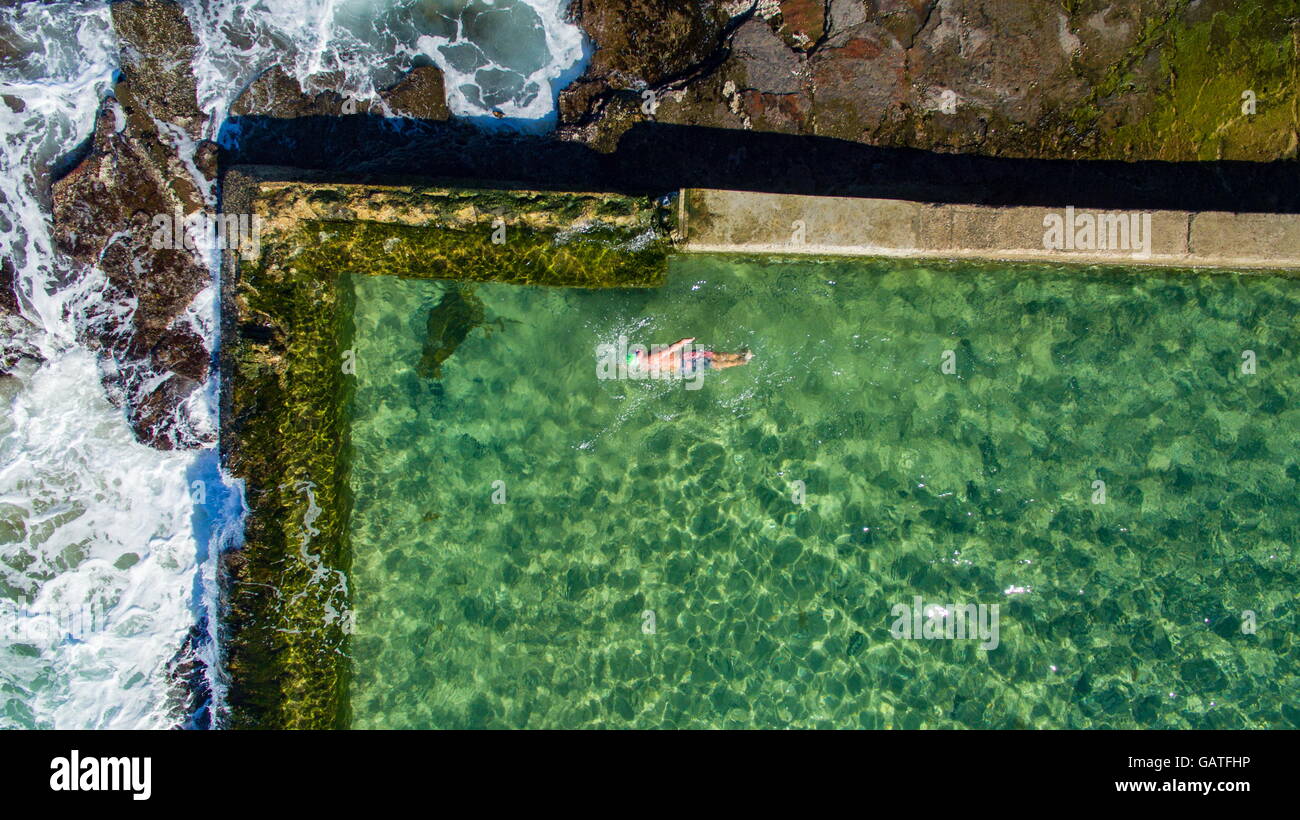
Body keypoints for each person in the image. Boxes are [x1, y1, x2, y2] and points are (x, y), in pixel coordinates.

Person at [629, 337, 752, 376]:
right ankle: (740, 355)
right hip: (685, 358)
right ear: (638, 358)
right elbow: (671, 349)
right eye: (636, 353)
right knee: (713, 355)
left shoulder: (645, 367)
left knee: (711, 364)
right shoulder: (651, 358)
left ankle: (740, 362)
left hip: (683, 369)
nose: (637, 350)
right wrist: (683, 341)